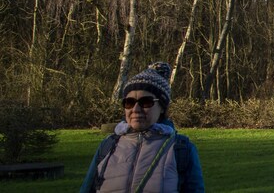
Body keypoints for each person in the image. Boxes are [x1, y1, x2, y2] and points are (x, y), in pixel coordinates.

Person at [80, 61, 205, 192]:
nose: (136, 109)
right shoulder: (108, 146)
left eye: (145, 102)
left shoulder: (181, 149)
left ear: (162, 107)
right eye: (129, 102)